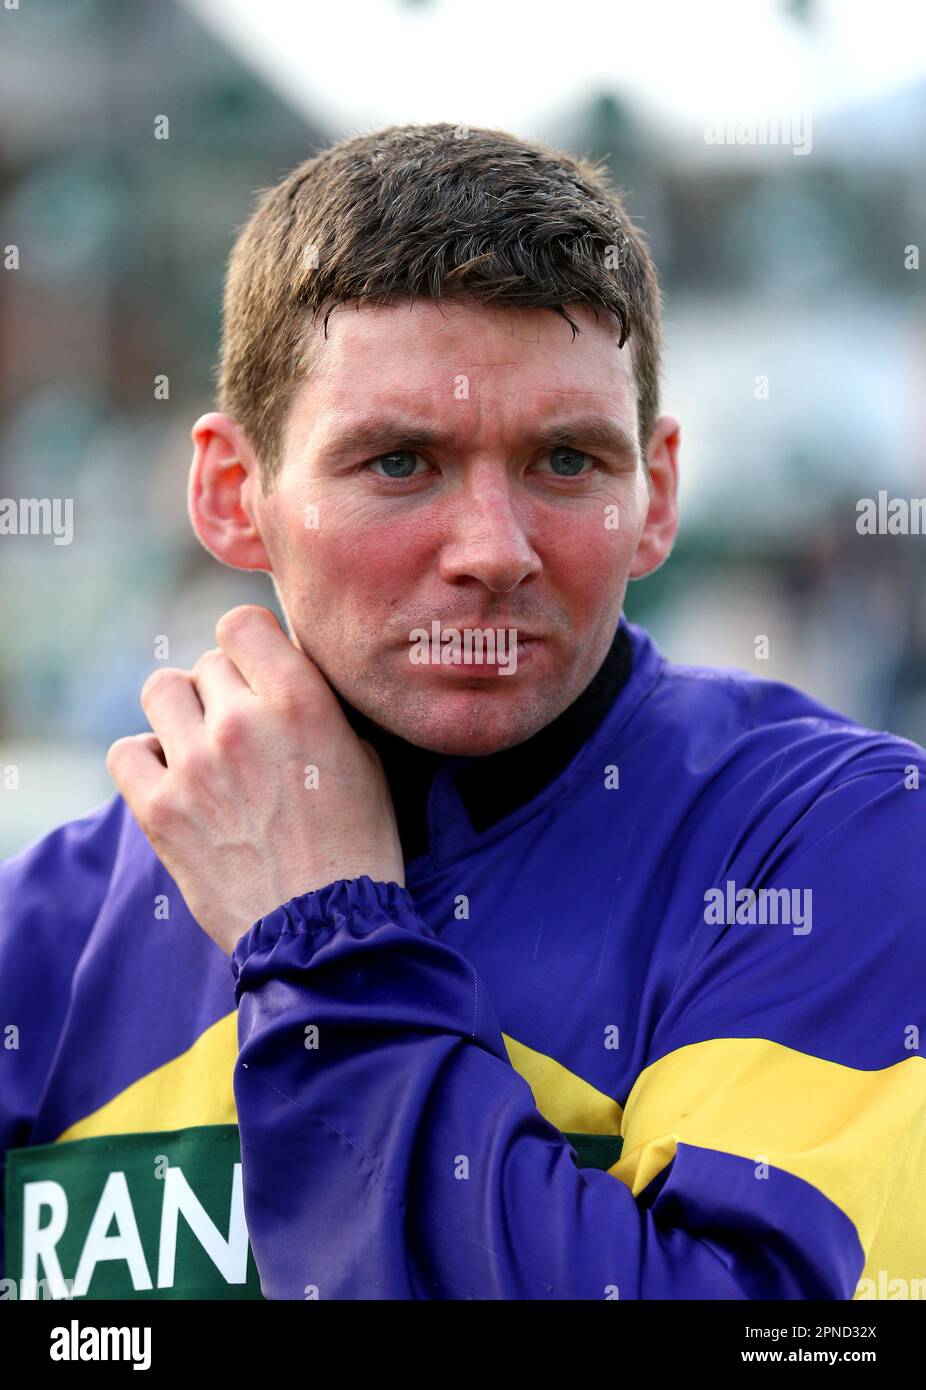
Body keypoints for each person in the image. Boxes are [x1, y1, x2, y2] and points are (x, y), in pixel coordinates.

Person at [1, 122, 924, 1302]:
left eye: (565, 463)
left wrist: (323, 938)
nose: (494, 551)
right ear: (235, 495)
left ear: (656, 496)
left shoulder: (830, 840)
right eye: (397, 462)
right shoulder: (39, 936)